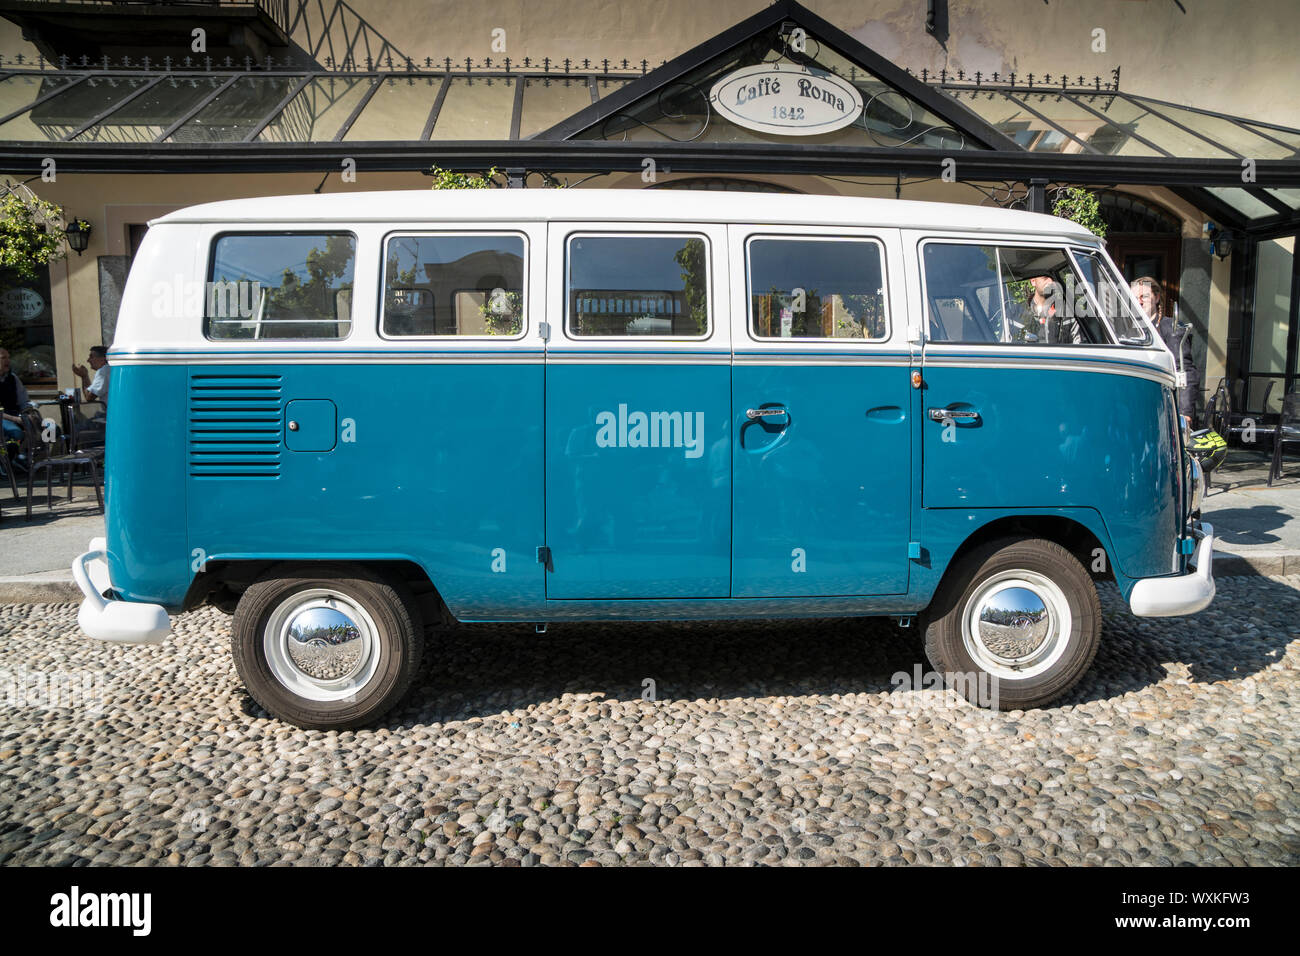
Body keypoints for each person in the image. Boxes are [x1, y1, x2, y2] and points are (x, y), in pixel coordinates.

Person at [1132, 277, 1198, 424]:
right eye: (1135, 298)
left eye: (1145, 296)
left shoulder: (1171, 328)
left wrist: (1184, 415)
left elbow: (1184, 371)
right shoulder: (1126, 331)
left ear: (1157, 298)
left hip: (1163, 409)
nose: (1139, 301)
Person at [1017, 274, 1081, 344]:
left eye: (1052, 278)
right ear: (1033, 281)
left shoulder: (1067, 312)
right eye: (1045, 278)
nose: (1050, 281)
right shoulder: (1020, 312)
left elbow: (1080, 344)